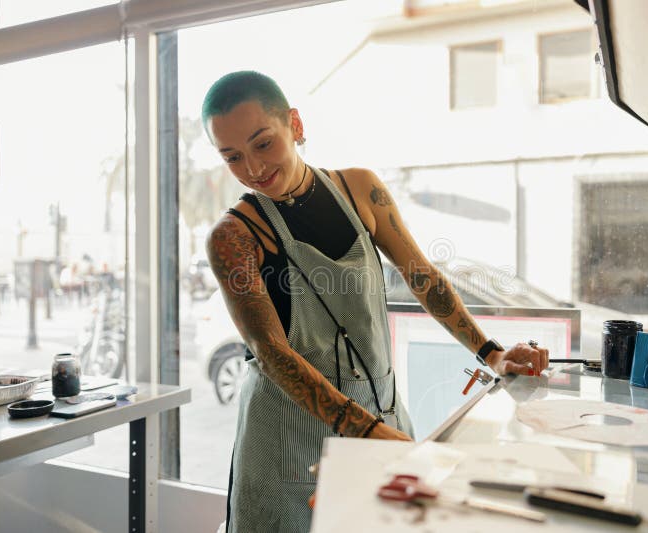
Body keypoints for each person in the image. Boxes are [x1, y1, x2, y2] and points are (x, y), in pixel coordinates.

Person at [203, 71, 550, 532]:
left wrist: (492, 353)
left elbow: (423, 277)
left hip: (378, 414)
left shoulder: (361, 189)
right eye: (232, 157)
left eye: (263, 144)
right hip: (286, 440)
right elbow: (270, 353)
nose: (252, 169)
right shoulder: (233, 237)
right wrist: (362, 428)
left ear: (295, 125)